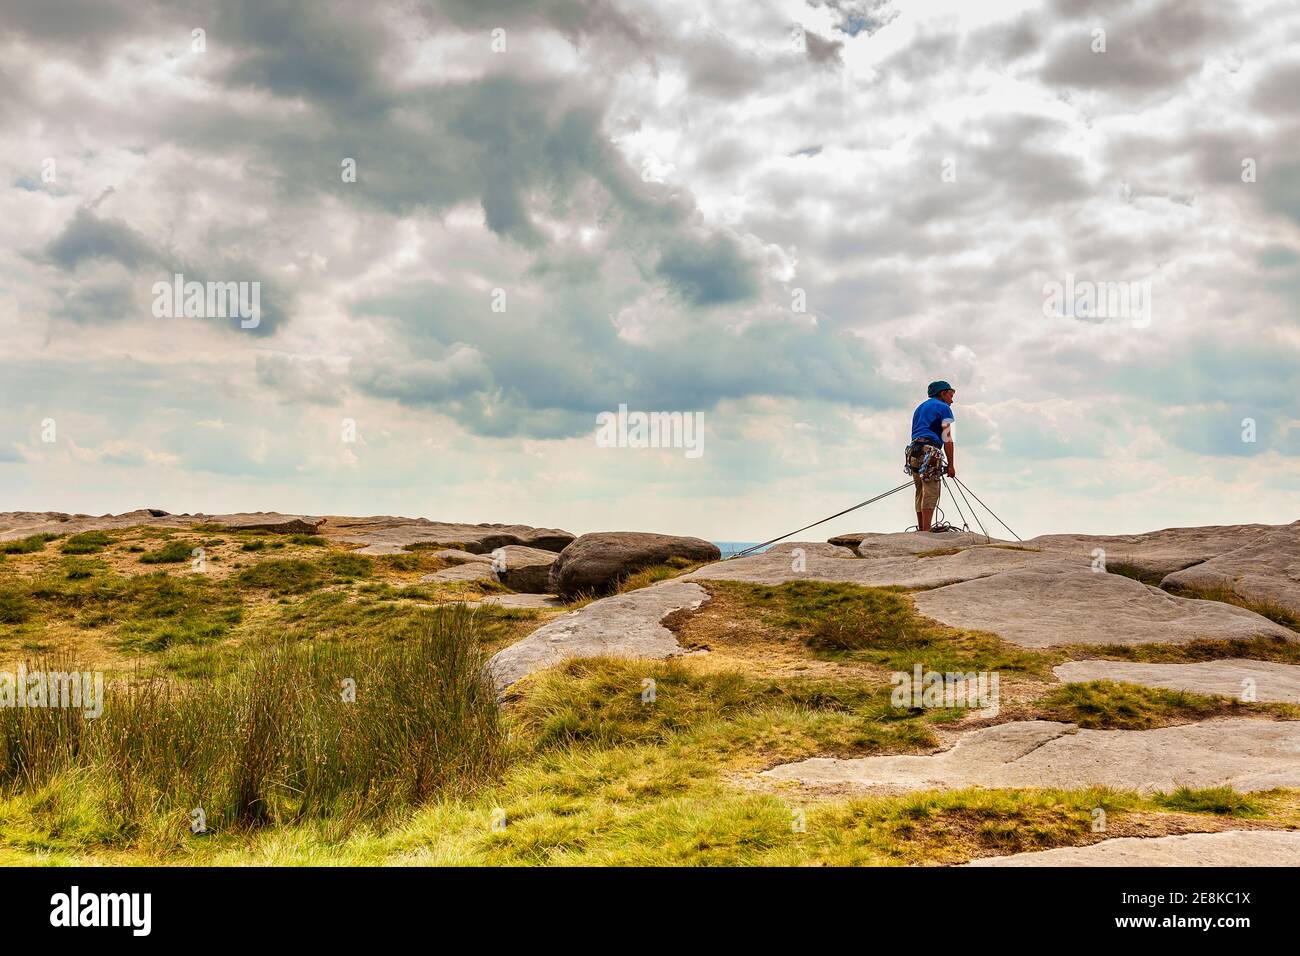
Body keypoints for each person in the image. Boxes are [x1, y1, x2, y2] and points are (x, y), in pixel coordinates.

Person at [906, 381, 956, 532]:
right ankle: (926, 532)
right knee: (931, 490)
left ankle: (922, 528)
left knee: (920, 489)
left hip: (913, 450)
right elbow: (947, 438)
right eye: (950, 395)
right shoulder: (944, 408)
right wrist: (951, 465)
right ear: (942, 394)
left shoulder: (919, 408)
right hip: (930, 451)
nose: (952, 400)